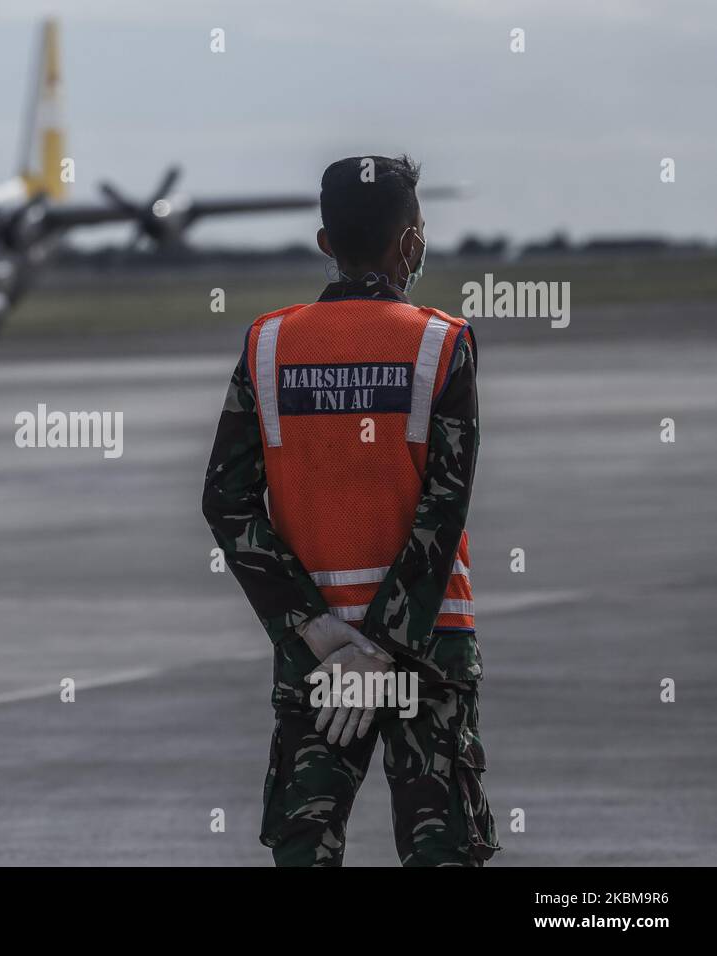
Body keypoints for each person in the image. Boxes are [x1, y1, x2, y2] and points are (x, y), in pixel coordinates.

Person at [201, 155, 500, 867]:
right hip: (427, 646)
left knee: (306, 845)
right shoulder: (441, 343)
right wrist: (384, 649)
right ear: (410, 244)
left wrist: (317, 628)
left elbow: (227, 500)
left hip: (317, 656)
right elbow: (443, 507)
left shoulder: (269, 345)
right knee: (444, 847)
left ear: (326, 244)